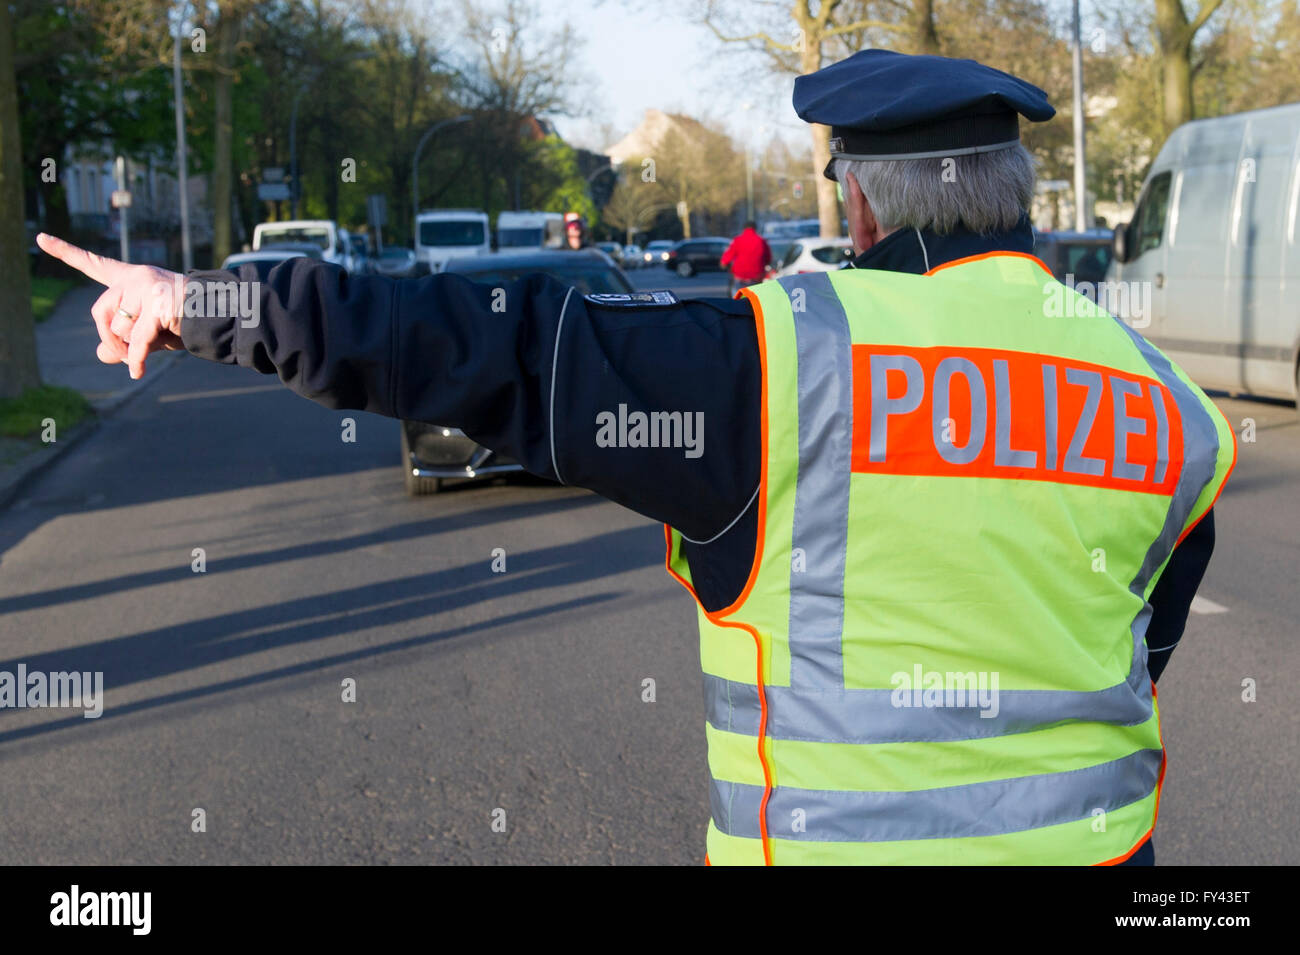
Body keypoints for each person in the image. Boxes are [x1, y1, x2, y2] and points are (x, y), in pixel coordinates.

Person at [37, 49, 1234, 867]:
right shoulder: (1171, 406)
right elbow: (1134, 653)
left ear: (862, 210)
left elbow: (477, 342)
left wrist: (202, 301)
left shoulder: (777, 357)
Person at [721, 220, 773, 295]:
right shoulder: (761, 241)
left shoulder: (737, 240)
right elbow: (768, 259)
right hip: (756, 276)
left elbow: (727, 257)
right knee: (755, 299)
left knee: (737, 297)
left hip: (740, 276)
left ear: (744, 229)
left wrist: (724, 264)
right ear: (755, 229)